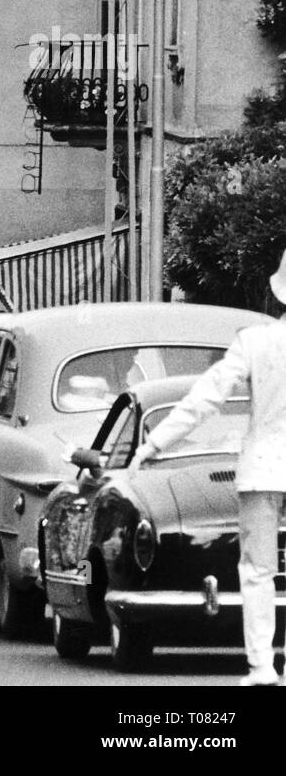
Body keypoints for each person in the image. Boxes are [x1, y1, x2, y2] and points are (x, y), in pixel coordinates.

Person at [129, 248, 286, 686]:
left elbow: (205, 400)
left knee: (257, 571)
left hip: (262, 469)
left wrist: (156, 442)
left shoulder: (254, 343)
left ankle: (261, 665)